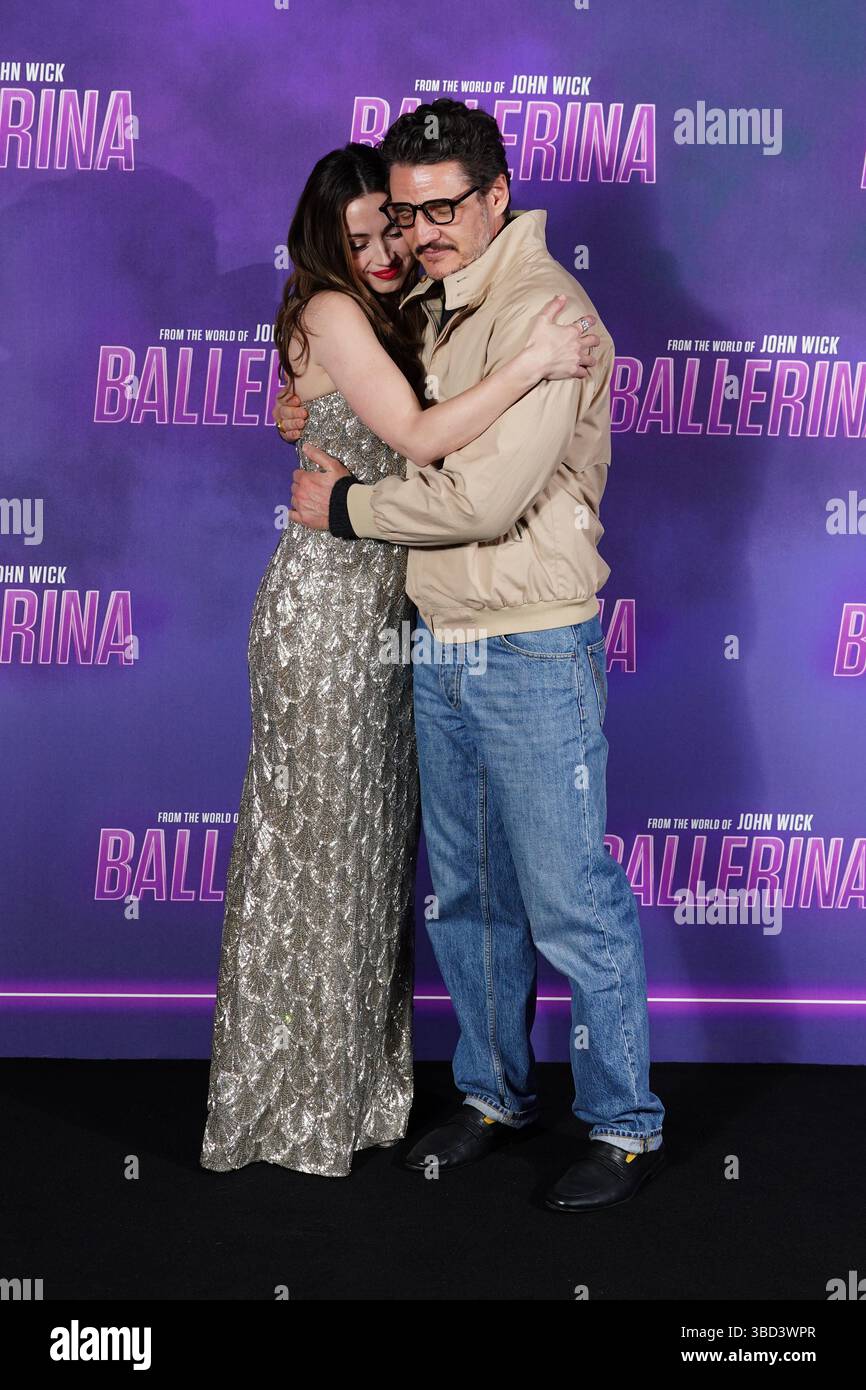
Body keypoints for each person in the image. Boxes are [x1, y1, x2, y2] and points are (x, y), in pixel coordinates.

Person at [282, 100, 666, 1210]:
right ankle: (494, 1094)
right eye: (405, 214)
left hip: (531, 641)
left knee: (568, 899)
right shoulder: (433, 303)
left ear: (497, 196)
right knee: (469, 898)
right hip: (438, 636)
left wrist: (345, 509)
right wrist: (304, 396)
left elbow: (484, 500)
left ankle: (623, 1122)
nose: (420, 232)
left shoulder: (547, 312)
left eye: (443, 208)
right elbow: (364, 393)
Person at [199, 141, 599, 1179]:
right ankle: (291, 1102)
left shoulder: (408, 305)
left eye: (397, 226)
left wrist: (300, 412)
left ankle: (359, 1092)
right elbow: (417, 438)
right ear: (322, 242)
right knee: (316, 856)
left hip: (402, 611)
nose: (387, 249)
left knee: (372, 863)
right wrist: (527, 366)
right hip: (330, 617)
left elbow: (348, 416)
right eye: (361, 236)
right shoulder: (337, 308)